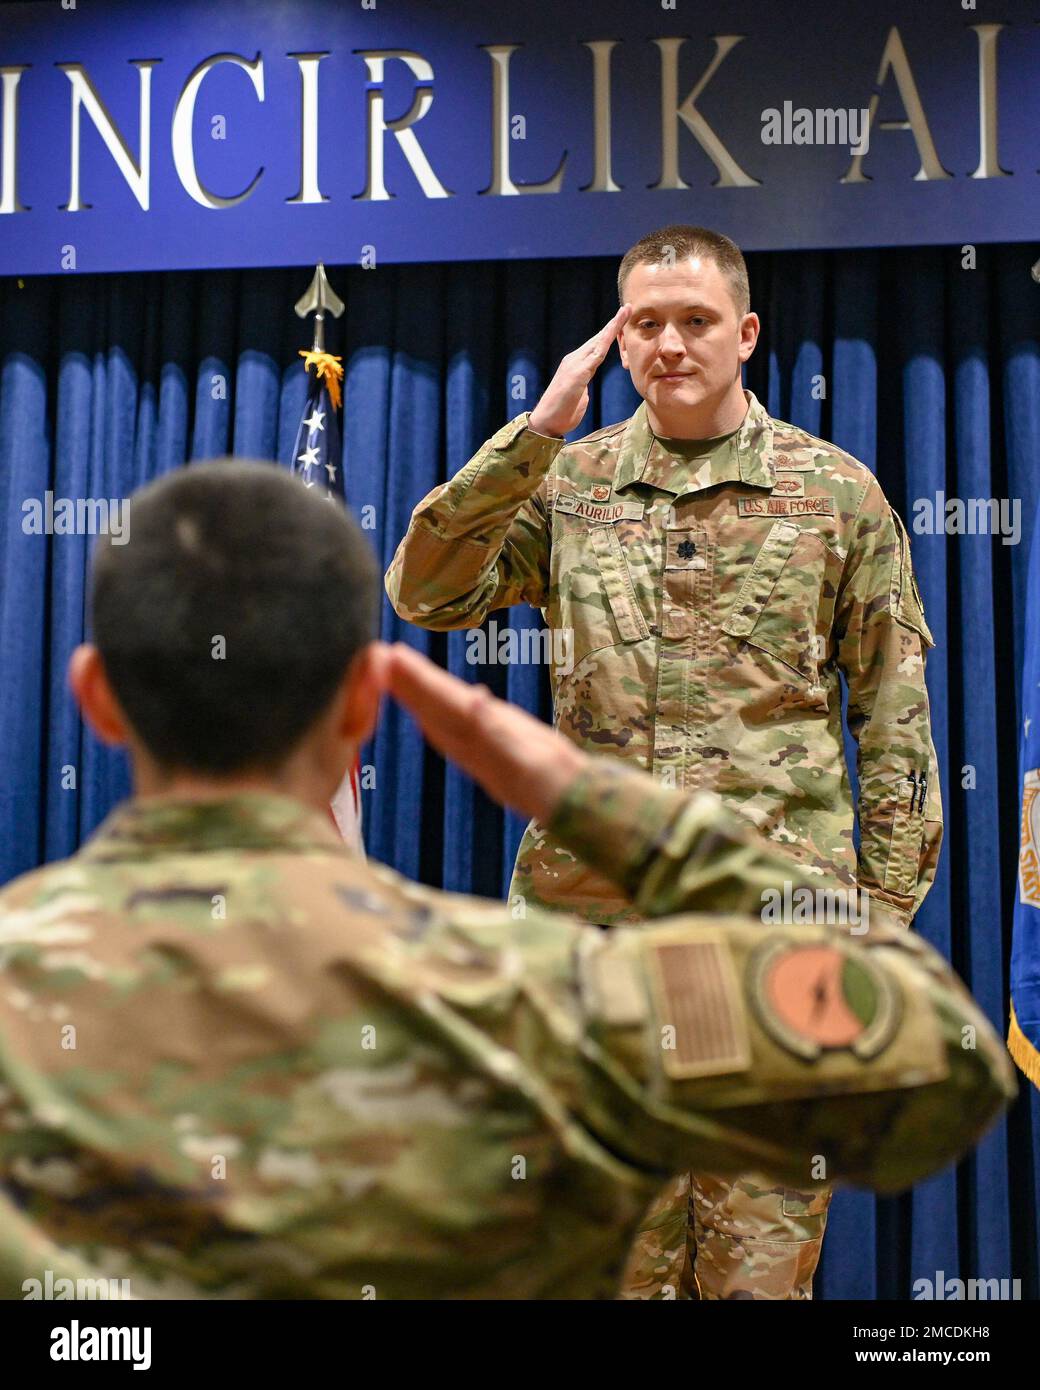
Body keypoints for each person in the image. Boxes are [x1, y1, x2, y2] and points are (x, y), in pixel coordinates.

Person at [0, 462, 1004, 1302]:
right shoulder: (538, 999)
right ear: (364, 702)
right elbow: (931, 1055)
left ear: (94, 695)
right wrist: (601, 803)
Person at [385, 225, 943, 1298]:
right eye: (644, 322)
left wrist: (876, 919)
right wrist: (535, 436)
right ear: (617, 336)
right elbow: (426, 592)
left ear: (743, 333)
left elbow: (892, 717)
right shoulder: (571, 485)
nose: (668, 344)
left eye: (693, 321)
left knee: (758, 1273)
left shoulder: (832, 493)